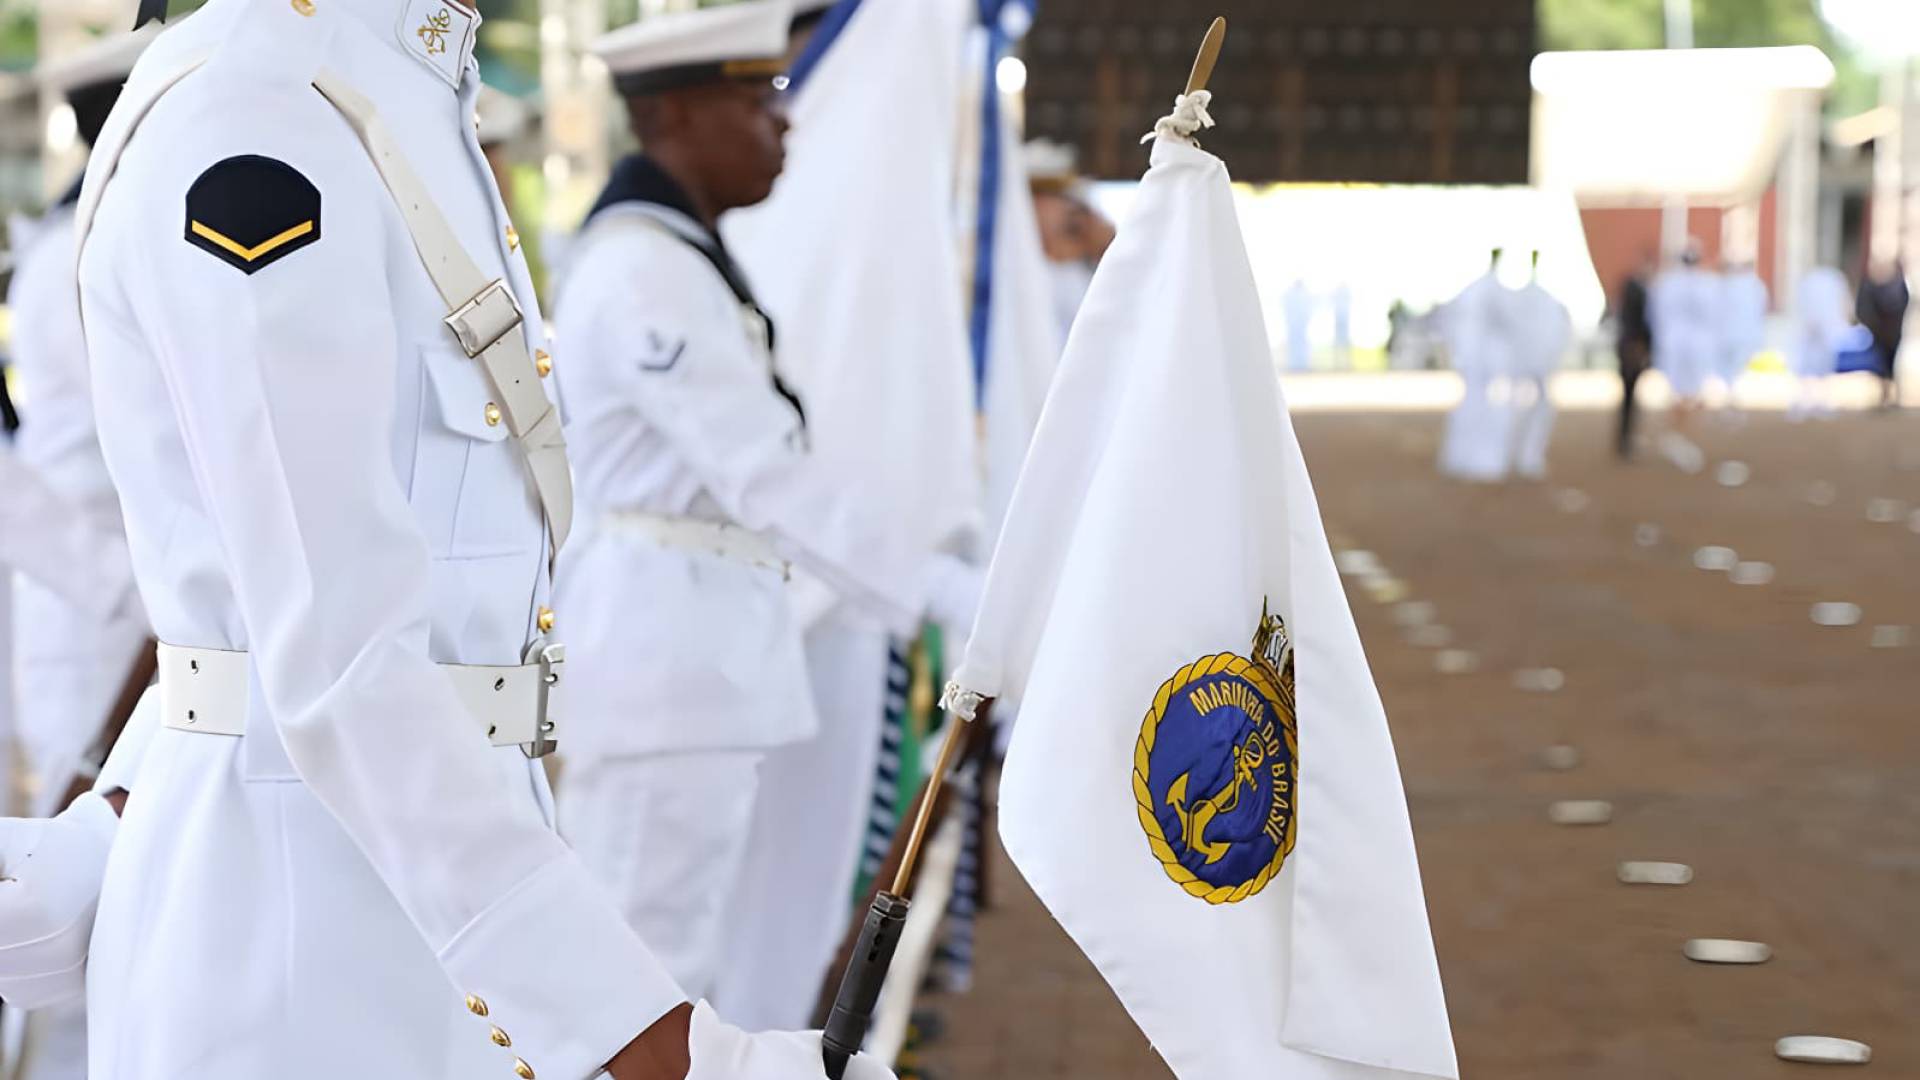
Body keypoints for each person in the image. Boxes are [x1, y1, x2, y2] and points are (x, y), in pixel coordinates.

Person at [0, 1, 893, 1077]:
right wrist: (668, 1051)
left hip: (419, 886)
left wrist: (124, 800)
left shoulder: (398, 88)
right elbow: (339, 657)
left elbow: (262, 608)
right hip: (299, 938)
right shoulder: (263, 110)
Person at [551, 0, 977, 1010]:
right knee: (636, 984)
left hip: (692, 661)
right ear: (676, 117)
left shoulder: (681, 258)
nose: (783, 124)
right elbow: (767, 478)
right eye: (758, 101)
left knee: (677, 975)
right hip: (664, 673)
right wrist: (943, 589)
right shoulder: (646, 272)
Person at [4, 29, 156, 1079]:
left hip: (139, 601)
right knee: (79, 908)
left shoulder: (104, 235)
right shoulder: (75, 253)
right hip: (96, 610)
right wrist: (129, 601)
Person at [1438, 247, 1514, 482]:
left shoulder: (1473, 289)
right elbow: (1506, 320)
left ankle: (1463, 457)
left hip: (1470, 357)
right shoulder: (1491, 290)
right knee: (1482, 406)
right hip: (1480, 359)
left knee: (1472, 403)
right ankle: (1478, 459)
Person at [1649, 242, 1717, 469]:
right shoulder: (1707, 284)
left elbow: (1656, 314)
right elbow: (1713, 315)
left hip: (1674, 344)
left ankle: (1677, 435)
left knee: (1681, 394)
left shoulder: (1667, 283)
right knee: (1691, 395)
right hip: (1694, 346)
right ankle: (1679, 436)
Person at [1506, 251, 1571, 480]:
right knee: (1523, 406)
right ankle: (1522, 455)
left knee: (1527, 406)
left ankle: (1524, 455)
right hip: (1531, 364)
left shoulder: (1543, 302)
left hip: (1531, 364)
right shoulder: (1545, 302)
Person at [1793, 264, 1853, 420]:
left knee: (1822, 364)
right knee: (1810, 364)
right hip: (1814, 328)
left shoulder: (1829, 280)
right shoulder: (1828, 280)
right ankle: (1808, 398)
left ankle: (1819, 399)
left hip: (1823, 328)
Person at [1614, 254, 1656, 459]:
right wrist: (1637, 346)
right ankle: (1624, 440)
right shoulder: (1635, 290)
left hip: (1631, 347)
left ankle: (1626, 439)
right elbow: (1635, 322)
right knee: (1629, 396)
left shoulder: (1637, 289)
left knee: (1630, 396)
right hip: (1631, 348)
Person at [1716, 259, 1768, 414]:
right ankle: (1731, 396)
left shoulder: (1727, 285)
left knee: (1731, 367)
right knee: (1735, 367)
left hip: (1731, 333)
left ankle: (1730, 395)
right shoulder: (1755, 286)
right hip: (1742, 334)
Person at [1856, 257, 1908, 410]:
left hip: (1888, 335)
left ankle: (1889, 394)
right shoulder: (1876, 290)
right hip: (1883, 335)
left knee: (1888, 365)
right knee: (1884, 365)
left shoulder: (1895, 290)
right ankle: (1887, 394)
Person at [1283, 278, 1314, 372]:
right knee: (1295, 345)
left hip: (1300, 325)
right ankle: (1295, 365)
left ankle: (1302, 365)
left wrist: (1305, 319)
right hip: (1294, 325)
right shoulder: (1292, 294)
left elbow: (1308, 309)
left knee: (1301, 345)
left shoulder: (1303, 294)